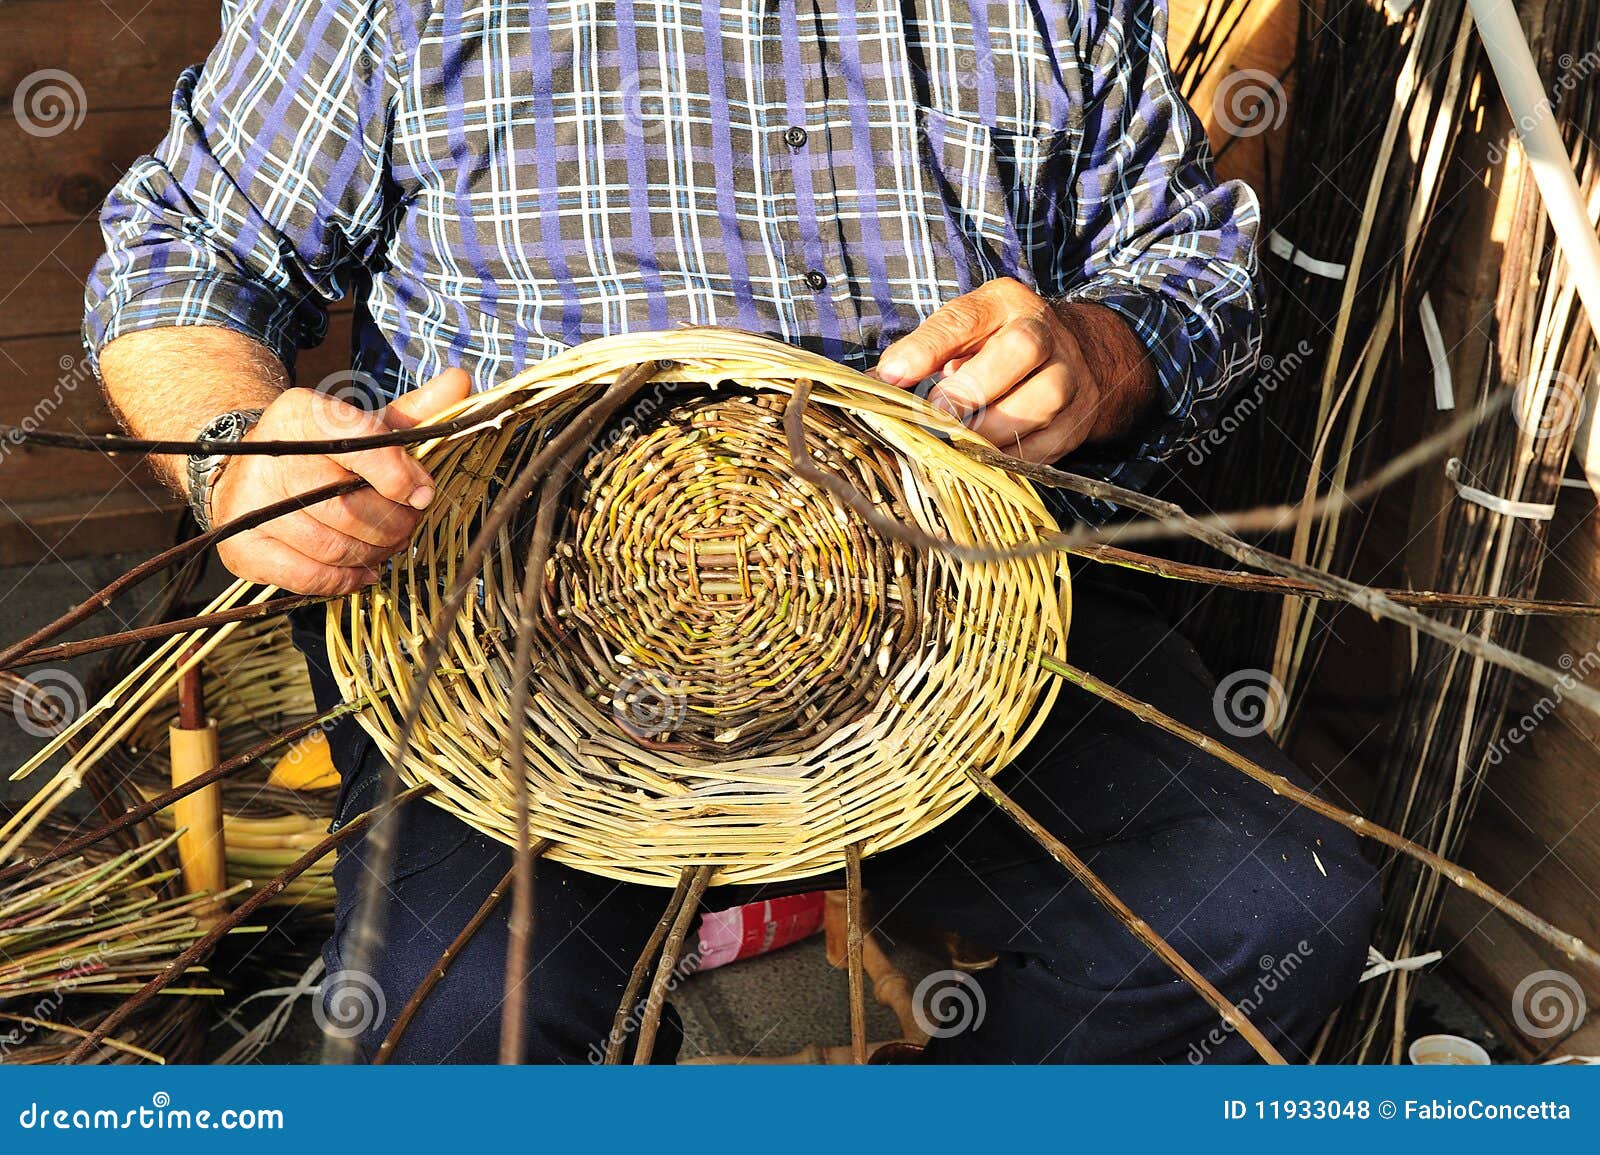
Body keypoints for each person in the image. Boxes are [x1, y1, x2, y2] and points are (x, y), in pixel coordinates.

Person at [84, 0, 1377, 1063]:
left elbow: (1187, 262)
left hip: (959, 636)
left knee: (1277, 906)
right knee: (460, 1018)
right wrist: (235, 453)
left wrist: (1099, 349)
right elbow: (184, 247)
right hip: (510, 662)